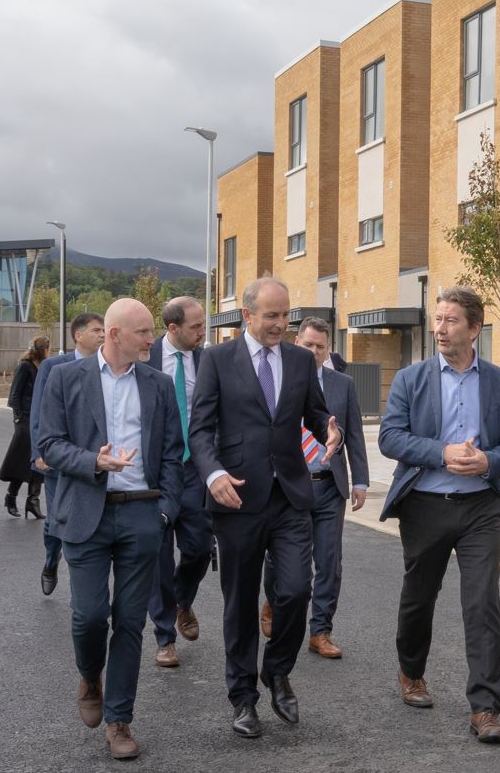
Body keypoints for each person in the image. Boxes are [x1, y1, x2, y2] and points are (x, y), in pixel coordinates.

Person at [188, 276, 340, 739]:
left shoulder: (299, 359)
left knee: (294, 590)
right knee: (239, 602)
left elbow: (314, 411)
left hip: (289, 495)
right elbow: (200, 430)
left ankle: (277, 672)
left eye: (286, 315)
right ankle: (242, 697)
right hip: (236, 496)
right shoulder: (217, 360)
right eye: (272, 315)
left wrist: (328, 428)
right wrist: (213, 475)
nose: (281, 324)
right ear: (247, 315)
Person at [377, 286, 500, 744]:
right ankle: (411, 671)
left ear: (475, 328)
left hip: (480, 507)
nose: (440, 329)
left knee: (482, 603)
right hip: (424, 505)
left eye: (451, 321)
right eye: (437, 320)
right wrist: (441, 453)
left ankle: (485, 708)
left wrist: (488, 461)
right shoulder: (411, 379)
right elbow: (390, 437)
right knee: (419, 597)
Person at [37, 298, 184, 761]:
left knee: (129, 621)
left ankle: (119, 719)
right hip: (86, 511)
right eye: (144, 332)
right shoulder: (65, 378)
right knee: (89, 615)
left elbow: (173, 453)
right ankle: (89, 675)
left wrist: (165, 511)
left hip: (142, 513)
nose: (151, 339)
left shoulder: (159, 384)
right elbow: (48, 444)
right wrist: (93, 462)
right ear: (115, 335)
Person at [260, 316, 368, 659]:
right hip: (289, 486)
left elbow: (354, 434)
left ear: (328, 347)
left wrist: (360, 481)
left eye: (321, 346)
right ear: (297, 343)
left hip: (328, 485)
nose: (314, 351)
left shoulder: (342, 384)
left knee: (329, 562)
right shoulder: (279, 376)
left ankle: (320, 630)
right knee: (280, 558)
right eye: (308, 345)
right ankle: (274, 601)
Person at [146, 296, 213, 669]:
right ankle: (164, 637)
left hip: (193, 470)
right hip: (155, 473)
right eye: (196, 326)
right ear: (173, 328)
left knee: (199, 548)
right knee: (158, 556)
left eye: (203, 324)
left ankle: (182, 600)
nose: (202, 332)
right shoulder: (147, 358)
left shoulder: (208, 361)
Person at [29, 312, 105, 595]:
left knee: (88, 519)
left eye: (104, 330)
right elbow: (39, 410)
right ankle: (51, 560)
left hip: (93, 459)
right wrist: (39, 452)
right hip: (58, 458)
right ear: (78, 335)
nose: (102, 335)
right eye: (96, 330)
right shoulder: (54, 366)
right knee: (56, 518)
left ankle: (82, 578)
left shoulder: (107, 367)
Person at [0, 336, 49, 518]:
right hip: (25, 419)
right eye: (47, 348)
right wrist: (19, 418)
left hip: (40, 419)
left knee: (39, 459)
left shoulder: (43, 367)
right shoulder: (25, 367)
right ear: (43, 349)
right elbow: (15, 394)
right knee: (22, 459)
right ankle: (11, 497)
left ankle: (32, 501)